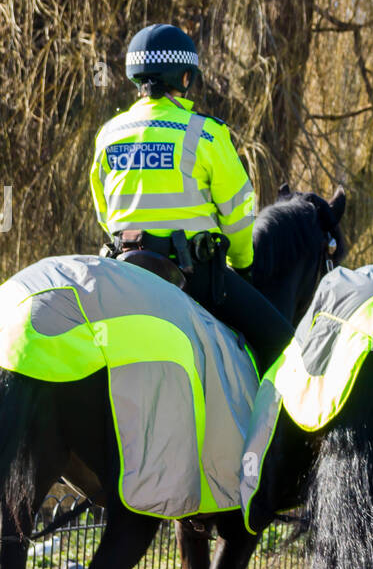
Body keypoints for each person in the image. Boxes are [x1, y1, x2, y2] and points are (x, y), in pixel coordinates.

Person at [90, 23, 292, 371]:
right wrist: (242, 265)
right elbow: (240, 213)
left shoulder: (109, 134)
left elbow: (104, 213)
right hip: (194, 275)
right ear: (185, 78)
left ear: (135, 78)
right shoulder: (205, 133)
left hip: (123, 272)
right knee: (284, 345)